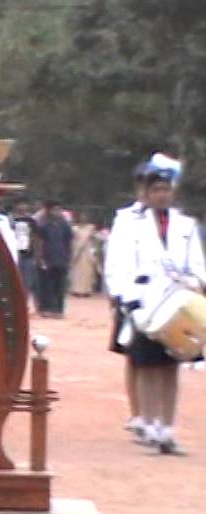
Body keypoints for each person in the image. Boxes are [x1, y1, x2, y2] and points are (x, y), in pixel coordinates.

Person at [114, 154, 203, 454]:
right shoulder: (131, 225)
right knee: (147, 365)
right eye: (156, 190)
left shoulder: (186, 225)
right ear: (146, 193)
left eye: (166, 189)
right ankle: (149, 424)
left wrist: (195, 283)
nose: (162, 195)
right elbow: (120, 264)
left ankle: (167, 428)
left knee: (170, 368)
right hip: (145, 303)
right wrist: (128, 300)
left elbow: (197, 265)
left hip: (178, 303)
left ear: (173, 192)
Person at [35, 200, 73, 318]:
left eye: (59, 209)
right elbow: (39, 242)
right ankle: (46, 309)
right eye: (54, 210)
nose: (57, 212)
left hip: (61, 259)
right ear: (49, 211)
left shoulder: (65, 225)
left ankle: (58, 310)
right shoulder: (43, 225)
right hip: (47, 258)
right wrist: (40, 258)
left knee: (60, 286)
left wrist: (69, 258)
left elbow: (68, 242)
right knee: (46, 285)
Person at [11, 200, 39, 309]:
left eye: (24, 204)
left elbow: (36, 237)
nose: (22, 206)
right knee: (14, 281)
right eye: (20, 204)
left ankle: (23, 304)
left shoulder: (31, 221)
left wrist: (36, 255)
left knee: (27, 281)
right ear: (15, 205)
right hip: (13, 255)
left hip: (28, 255)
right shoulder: (10, 220)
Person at [69, 212, 98, 297]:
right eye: (82, 217)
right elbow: (72, 240)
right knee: (77, 272)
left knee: (87, 272)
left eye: (85, 217)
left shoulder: (91, 228)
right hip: (77, 252)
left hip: (87, 252)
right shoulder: (74, 228)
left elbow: (94, 239)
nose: (83, 219)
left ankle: (86, 290)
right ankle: (76, 290)